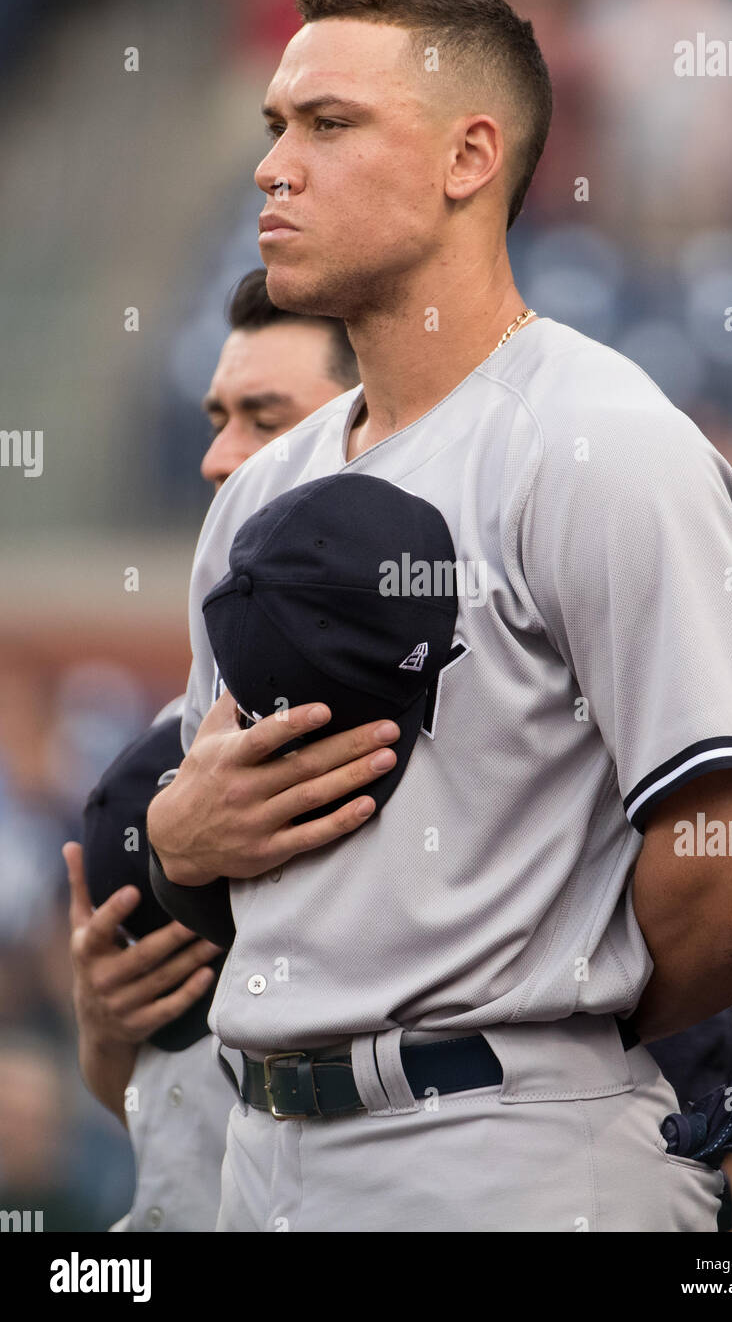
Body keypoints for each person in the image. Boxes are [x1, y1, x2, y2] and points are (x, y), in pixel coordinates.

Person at [148, 0, 732, 1233]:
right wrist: (184, 844)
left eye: (329, 125)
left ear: (470, 157)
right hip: (260, 1150)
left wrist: (556, 1018)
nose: (272, 167)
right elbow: (219, 827)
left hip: (501, 1155)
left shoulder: (601, 439)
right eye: (274, 127)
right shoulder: (262, 488)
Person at [63, 270, 357, 1232]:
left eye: (265, 420)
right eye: (217, 417)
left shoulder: (507, 729)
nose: (220, 459)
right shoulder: (163, 752)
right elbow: (166, 1111)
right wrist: (107, 1030)